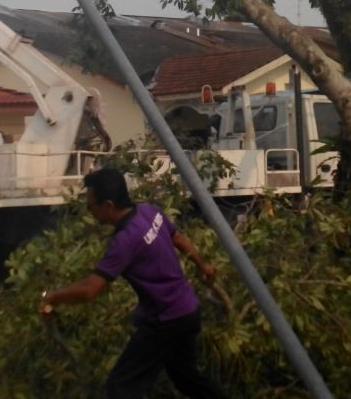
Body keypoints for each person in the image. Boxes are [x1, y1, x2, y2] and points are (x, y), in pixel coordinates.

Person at [39, 168, 226, 399]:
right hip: (188, 309)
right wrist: (203, 265)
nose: (89, 212)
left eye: (91, 206)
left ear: (107, 205)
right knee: (186, 377)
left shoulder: (125, 240)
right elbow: (177, 237)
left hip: (166, 320)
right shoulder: (149, 211)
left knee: (121, 387)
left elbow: (90, 290)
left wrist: (52, 296)